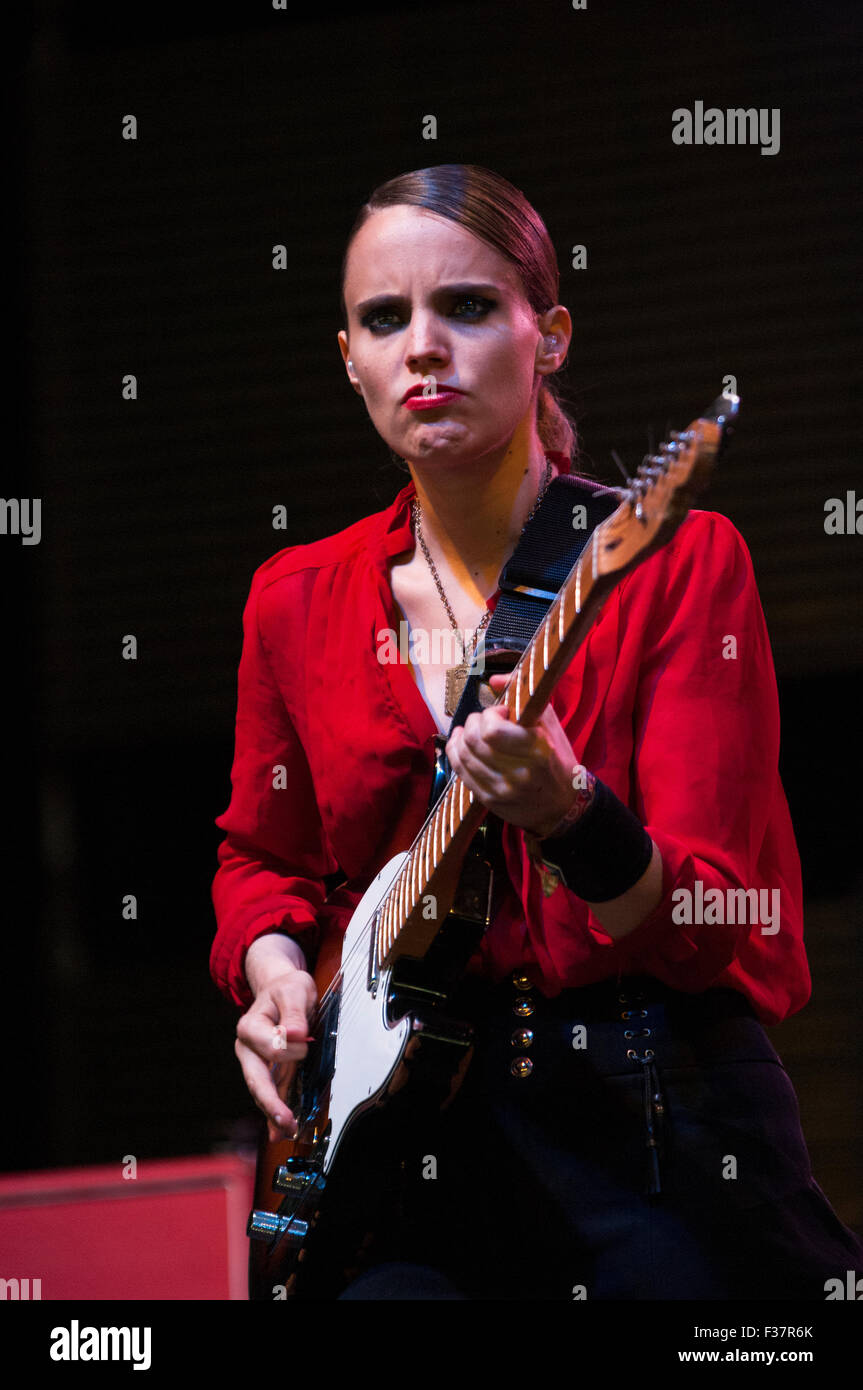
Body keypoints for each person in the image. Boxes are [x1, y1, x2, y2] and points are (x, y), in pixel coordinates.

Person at [210, 163, 862, 1300]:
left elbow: (708, 914)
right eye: (383, 318)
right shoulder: (292, 600)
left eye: (464, 306)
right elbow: (263, 858)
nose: (422, 346)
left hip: (650, 1115)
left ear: (547, 335)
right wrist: (271, 970)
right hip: (402, 1154)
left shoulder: (674, 558)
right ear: (349, 358)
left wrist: (573, 815)